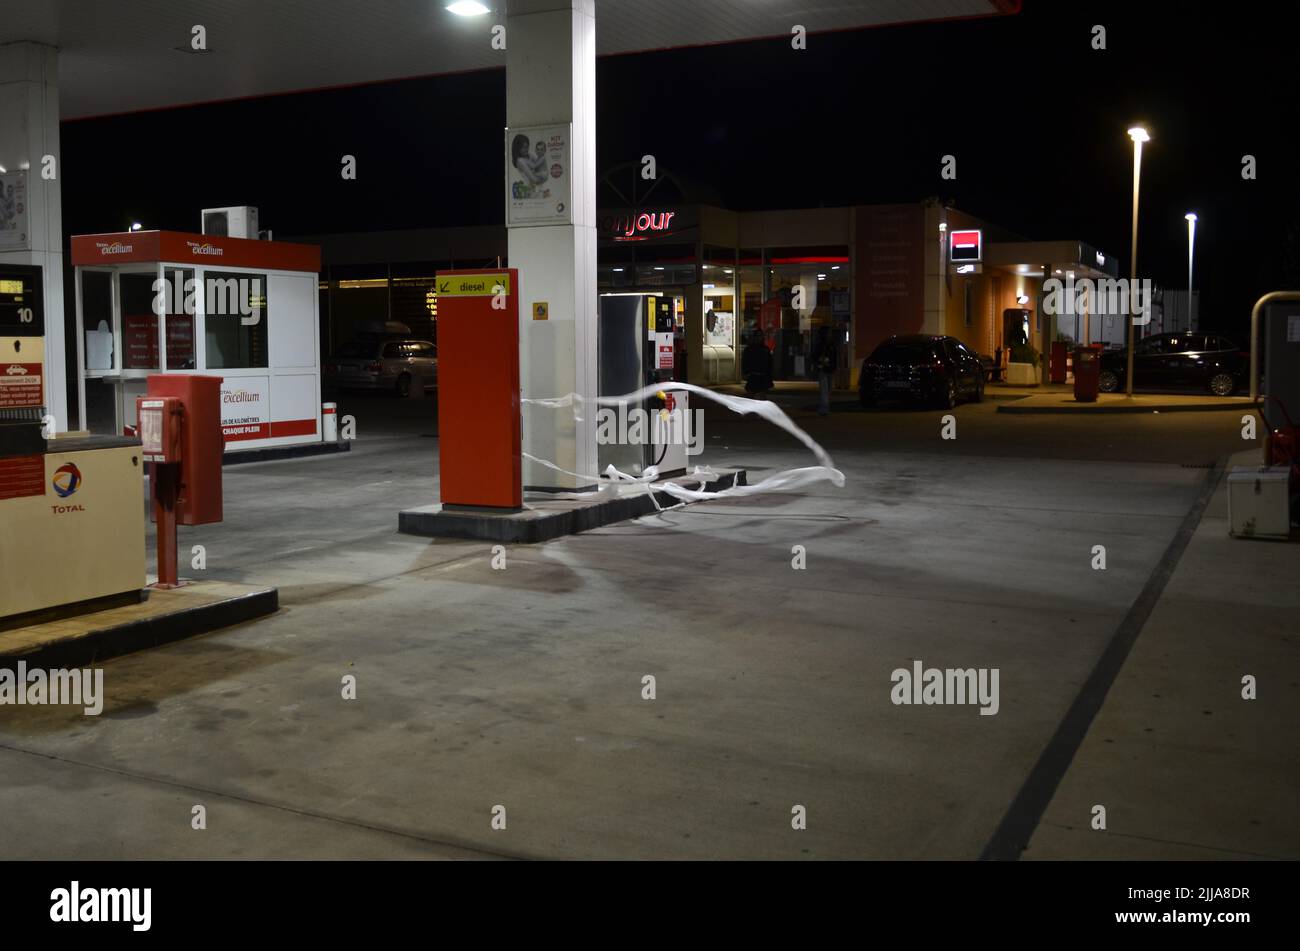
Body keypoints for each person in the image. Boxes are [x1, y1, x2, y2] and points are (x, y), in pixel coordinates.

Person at [810, 325, 838, 415]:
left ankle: (823, 407)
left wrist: (834, 366)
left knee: (828, 389)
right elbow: (814, 356)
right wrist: (820, 361)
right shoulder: (820, 344)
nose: (830, 334)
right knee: (824, 390)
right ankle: (824, 409)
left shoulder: (832, 344)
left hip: (830, 369)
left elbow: (835, 357)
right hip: (823, 369)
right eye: (828, 332)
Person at [742, 330, 773, 397]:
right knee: (751, 394)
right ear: (754, 337)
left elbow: (769, 362)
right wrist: (746, 372)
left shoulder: (765, 349)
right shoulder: (749, 349)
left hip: (763, 375)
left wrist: (769, 374)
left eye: (761, 336)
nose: (760, 338)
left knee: (762, 395)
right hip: (753, 375)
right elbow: (745, 361)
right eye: (758, 336)